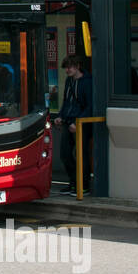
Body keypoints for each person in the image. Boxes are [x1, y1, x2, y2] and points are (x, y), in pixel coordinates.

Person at [54, 55, 93, 192]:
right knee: (65, 154)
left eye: (69, 67)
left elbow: (90, 105)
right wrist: (60, 116)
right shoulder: (69, 81)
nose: (67, 70)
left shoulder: (87, 82)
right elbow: (66, 101)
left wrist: (78, 123)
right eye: (66, 67)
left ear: (77, 66)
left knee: (81, 154)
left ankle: (84, 184)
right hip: (69, 121)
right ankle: (74, 181)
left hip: (80, 122)